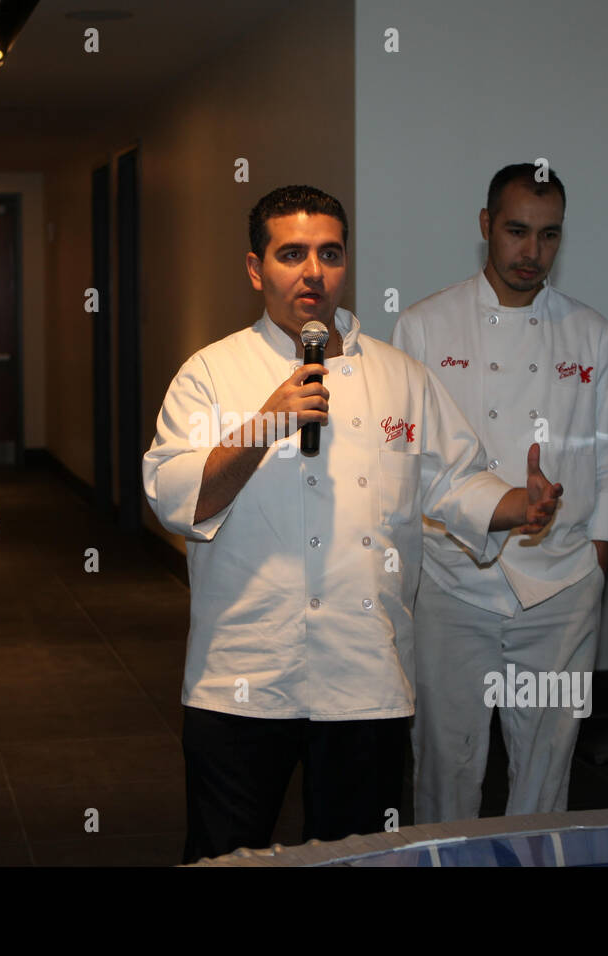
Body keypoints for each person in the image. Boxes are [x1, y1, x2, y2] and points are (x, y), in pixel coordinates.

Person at [143, 184, 564, 862]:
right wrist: (266, 423)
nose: (313, 272)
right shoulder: (211, 375)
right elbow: (173, 497)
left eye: (329, 254)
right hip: (244, 677)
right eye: (291, 254)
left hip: (365, 677)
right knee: (227, 855)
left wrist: (520, 504)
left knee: (359, 858)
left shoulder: (400, 377)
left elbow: (454, 479)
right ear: (256, 269)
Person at [393, 163, 608, 821]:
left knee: (547, 766)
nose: (532, 253)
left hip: (561, 583)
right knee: (446, 765)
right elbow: (409, 462)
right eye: (517, 232)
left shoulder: (593, 334)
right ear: (485, 227)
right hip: (452, 581)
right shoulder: (423, 326)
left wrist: (597, 564)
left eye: (549, 236)